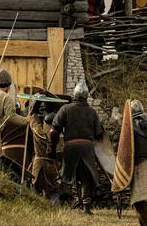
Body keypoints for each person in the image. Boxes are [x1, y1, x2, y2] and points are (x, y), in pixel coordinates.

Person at [50, 81, 103, 213]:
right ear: (85, 96)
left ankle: (75, 199)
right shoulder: (92, 112)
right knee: (86, 178)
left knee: (71, 174)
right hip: (87, 147)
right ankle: (86, 205)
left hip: (70, 146)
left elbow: (54, 131)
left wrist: (52, 147)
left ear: (74, 95)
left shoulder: (65, 109)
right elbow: (99, 134)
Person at [26, 97, 61, 200]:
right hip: (53, 165)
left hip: (39, 164)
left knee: (38, 190)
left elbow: (32, 117)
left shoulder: (39, 130)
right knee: (51, 190)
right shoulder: (58, 134)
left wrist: (35, 103)